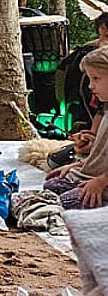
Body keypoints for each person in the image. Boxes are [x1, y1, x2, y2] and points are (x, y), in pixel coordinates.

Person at [45, 46, 108, 209]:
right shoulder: (106, 108)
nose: (90, 86)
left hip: (104, 181)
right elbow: (101, 155)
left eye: (96, 78)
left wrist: (100, 182)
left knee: (65, 203)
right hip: (96, 175)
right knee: (52, 186)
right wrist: (77, 165)